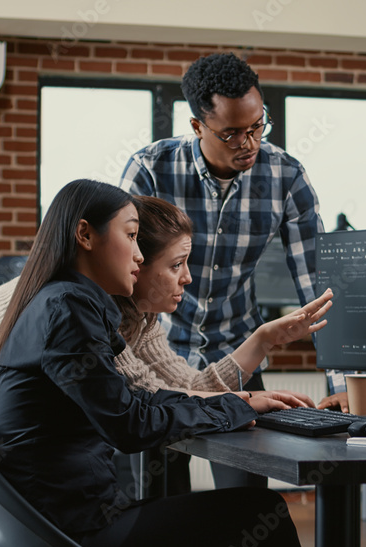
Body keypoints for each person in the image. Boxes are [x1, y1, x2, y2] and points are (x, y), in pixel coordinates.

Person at [0, 185, 330, 547]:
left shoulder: (112, 312)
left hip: (39, 488)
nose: (185, 278)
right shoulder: (69, 307)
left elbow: (174, 391)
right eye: (174, 263)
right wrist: (234, 405)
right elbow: (134, 415)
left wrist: (256, 354)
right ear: (95, 241)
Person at [0, 179, 308, 547]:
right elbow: (131, 425)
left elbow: (133, 400)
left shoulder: (65, 300)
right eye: (131, 236)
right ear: (85, 235)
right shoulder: (69, 309)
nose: (138, 255)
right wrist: (236, 408)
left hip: (60, 520)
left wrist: (237, 401)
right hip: (73, 531)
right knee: (262, 512)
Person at [120, 52, 324, 488]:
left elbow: (315, 280)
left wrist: (343, 377)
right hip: (157, 356)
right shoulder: (151, 170)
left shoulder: (286, 176)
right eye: (232, 134)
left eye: (257, 127)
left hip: (237, 352)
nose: (248, 143)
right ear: (197, 126)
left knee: (246, 499)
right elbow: (121, 276)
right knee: (156, 504)